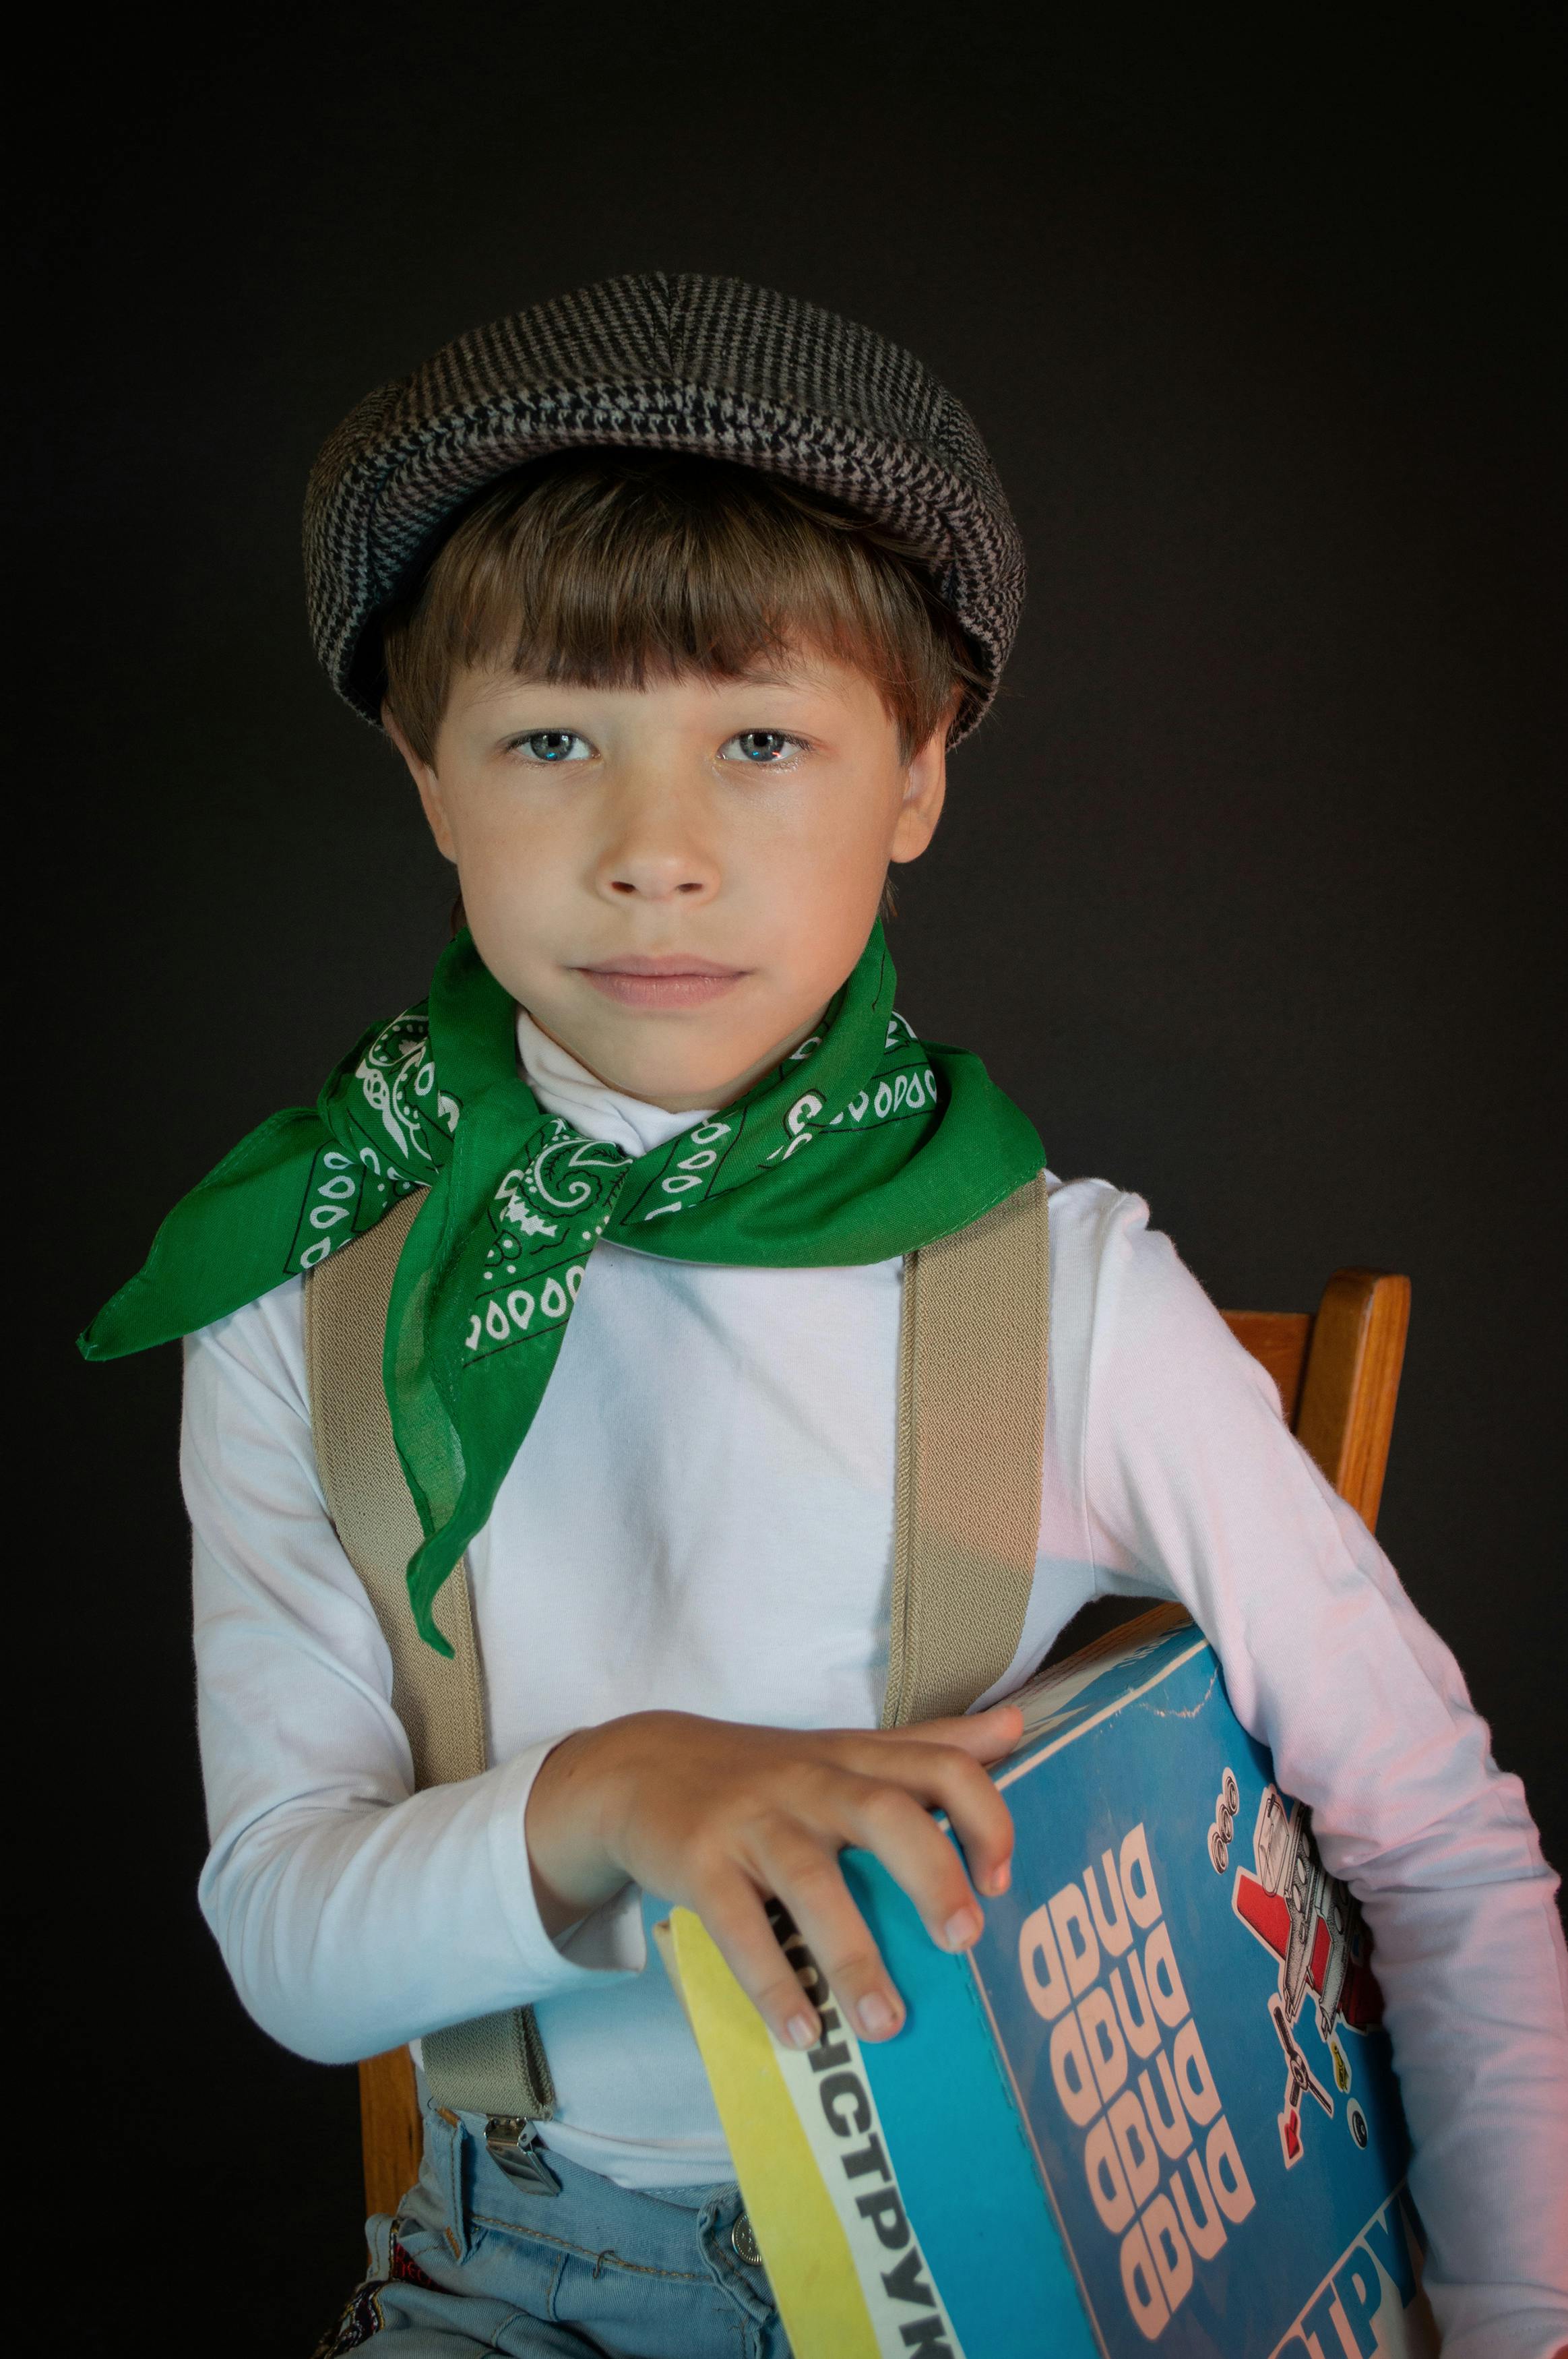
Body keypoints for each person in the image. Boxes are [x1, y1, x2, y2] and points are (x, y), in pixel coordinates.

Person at [82, 273, 1567, 2358]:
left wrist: (1513, 2317)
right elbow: (288, 1936)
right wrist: (610, 1789)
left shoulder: (1062, 1301)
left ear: (918, 773)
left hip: (1022, 2284)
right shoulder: (307, 1283)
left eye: (763, 740)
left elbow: (1437, 1844)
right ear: (428, 775)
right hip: (520, 2265)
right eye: (552, 739)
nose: (656, 853)